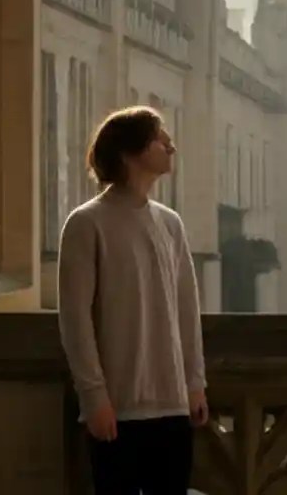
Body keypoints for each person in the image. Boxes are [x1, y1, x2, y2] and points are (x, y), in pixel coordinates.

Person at [57, 106, 208, 494]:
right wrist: (94, 398)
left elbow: (186, 311)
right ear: (130, 151)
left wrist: (194, 383)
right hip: (117, 409)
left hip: (172, 407)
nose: (170, 147)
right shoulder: (86, 223)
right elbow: (75, 320)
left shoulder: (170, 224)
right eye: (160, 138)